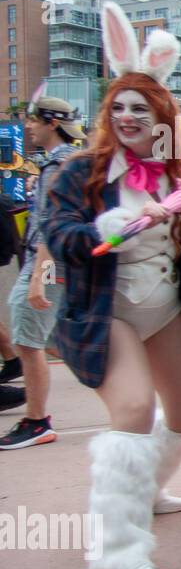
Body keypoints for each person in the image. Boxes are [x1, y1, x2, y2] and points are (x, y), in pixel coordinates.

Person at [43, 2, 181, 569]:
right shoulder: (78, 173)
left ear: (162, 113)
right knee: (135, 410)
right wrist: (107, 226)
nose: (128, 115)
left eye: (141, 106)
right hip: (105, 312)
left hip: (165, 307)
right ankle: (115, 554)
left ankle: (146, 486)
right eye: (118, 106)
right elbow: (58, 237)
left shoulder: (176, 174)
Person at [0, 97, 82, 451]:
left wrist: (39, 275)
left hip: (47, 261)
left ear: (52, 123)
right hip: (47, 259)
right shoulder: (58, 163)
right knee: (30, 332)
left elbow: (53, 225)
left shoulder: (60, 167)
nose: (28, 127)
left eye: (33, 121)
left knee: (29, 336)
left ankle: (37, 421)